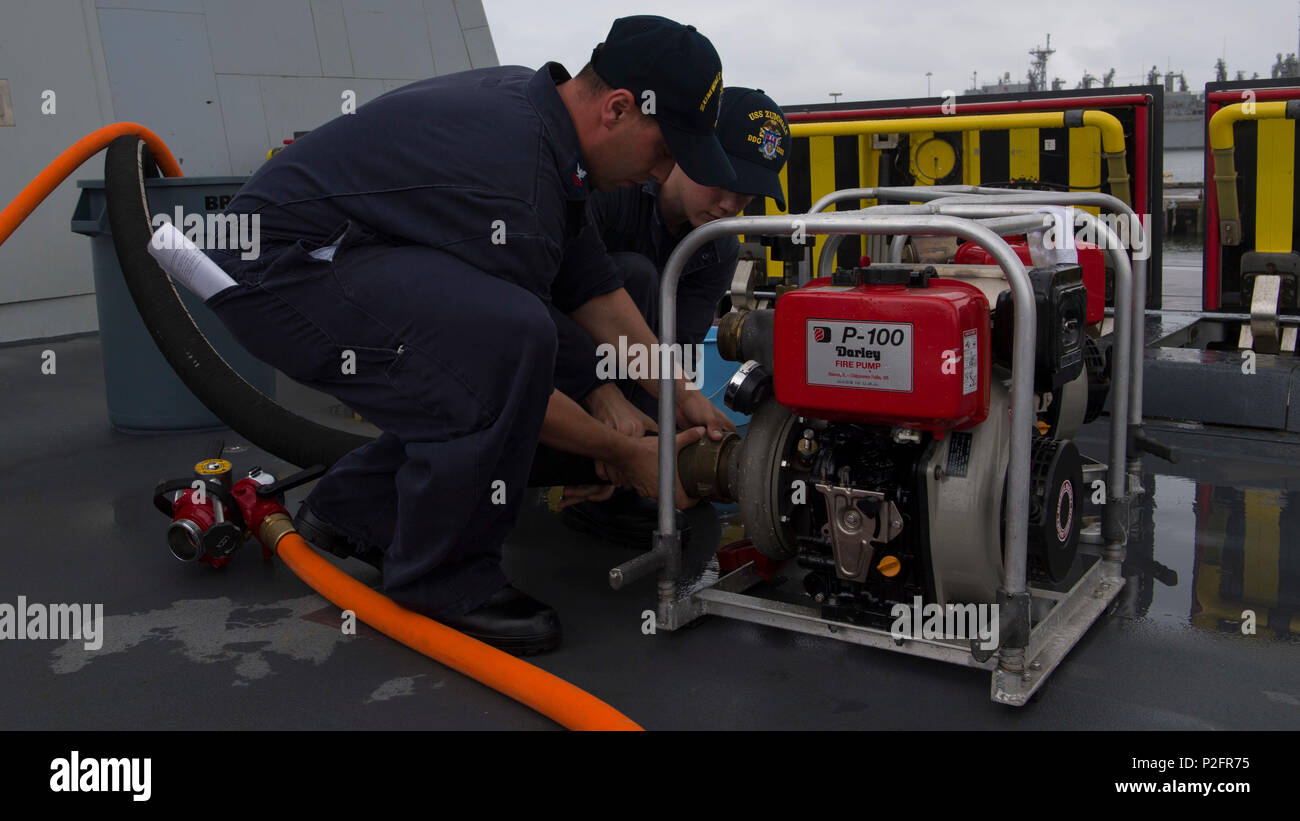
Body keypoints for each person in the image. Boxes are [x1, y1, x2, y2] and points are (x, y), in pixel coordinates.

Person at [202, 15, 736, 655]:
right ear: (618, 109)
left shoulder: (543, 127)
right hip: (279, 270)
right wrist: (623, 454)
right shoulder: (516, 176)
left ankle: (359, 510)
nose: (660, 173)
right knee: (510, 340)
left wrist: (682, 396)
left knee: (506, 343)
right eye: (663, 151)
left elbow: (594, 290)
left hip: (336, 253)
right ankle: (440, 580)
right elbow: (506, 371)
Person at [551, 88, 790, 545]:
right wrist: (596, 391)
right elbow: (541, 299)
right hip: (555, 367)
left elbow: (675, 345)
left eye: (747, 195)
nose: (729, 205)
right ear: (689, 152)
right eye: (722, 181)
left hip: (624, 382)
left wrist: (688, 406)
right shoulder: (610, 194)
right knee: (634, 277)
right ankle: (592, 458)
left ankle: (627, 479)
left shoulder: (717, 246)